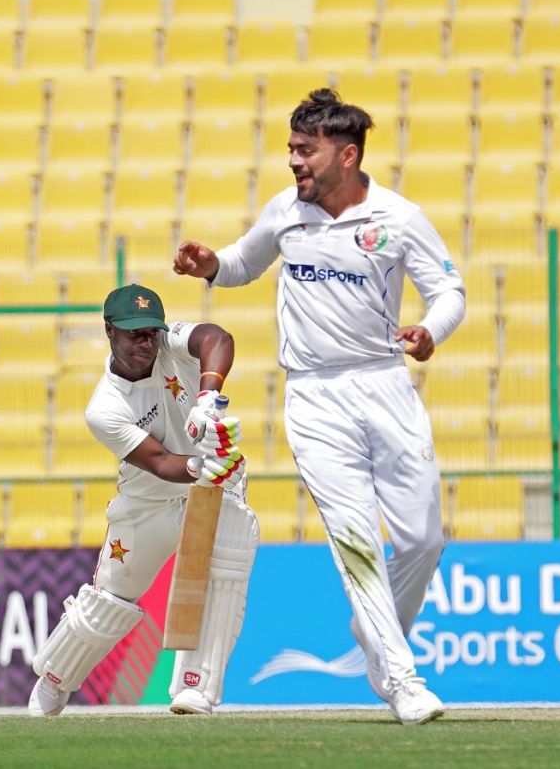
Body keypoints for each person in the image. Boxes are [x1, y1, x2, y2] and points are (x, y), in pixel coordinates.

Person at [173, 89, 466, 725]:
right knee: (356, 540)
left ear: (348, 154)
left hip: (386, 385)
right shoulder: (287, 210)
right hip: (314, 398)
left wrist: (429, 332)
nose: (294, 163)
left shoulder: (398, 217)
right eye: (291, 151)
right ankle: (401, 678)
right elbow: (243, 263)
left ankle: (375, 629)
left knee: (423, 538)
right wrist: (208, 265)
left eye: (306, 151)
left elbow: (449, 290)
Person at [29, 283, 258, 716]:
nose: (146, 343)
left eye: (151, 332)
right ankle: (55, 677)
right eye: (134, 334)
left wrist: (208, 397)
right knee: (111, 599)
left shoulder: (170, 344)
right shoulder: (105, 407)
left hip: (215, 490)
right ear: (109, 331)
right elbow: (162, 463)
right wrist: (199, 467)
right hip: (148, 502)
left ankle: (197, 688)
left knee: (227, 566)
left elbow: (218, 338)